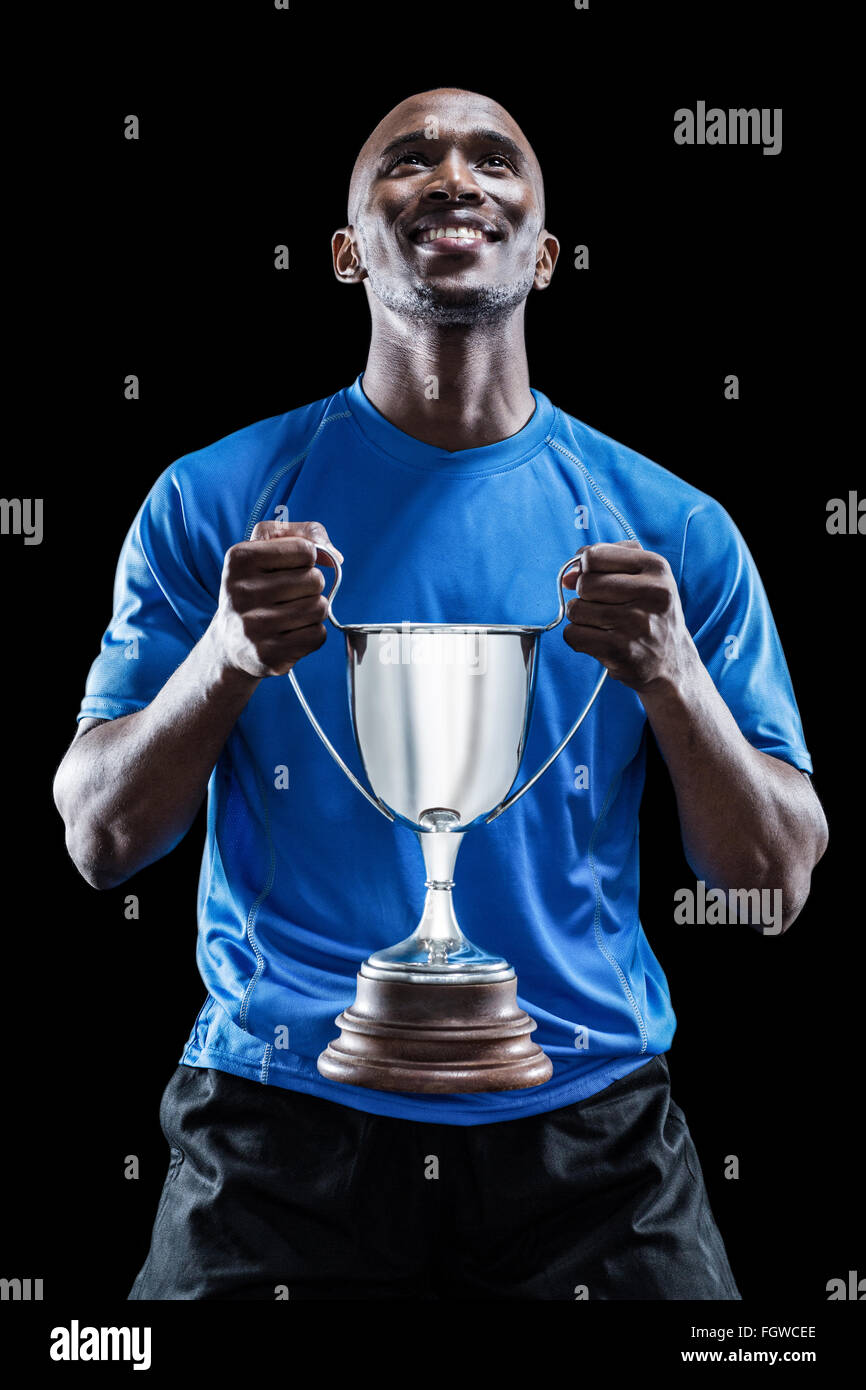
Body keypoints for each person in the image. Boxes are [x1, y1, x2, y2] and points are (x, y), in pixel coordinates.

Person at [53, 88, 827, 1300]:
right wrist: (223, 658)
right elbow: (97, 839)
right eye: (407, 159)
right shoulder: (213, 501)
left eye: (493, 161)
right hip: (277, 1127)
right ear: (346, 250)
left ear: (547, 254)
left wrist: (674, 679)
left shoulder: (674, 531)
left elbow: (773, 880)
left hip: (590, 1133)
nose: (453, 176)